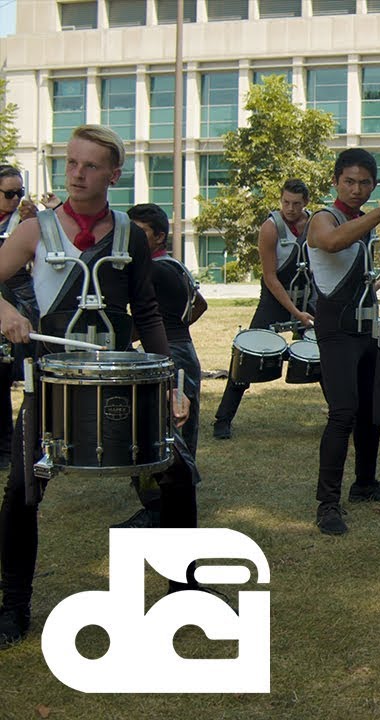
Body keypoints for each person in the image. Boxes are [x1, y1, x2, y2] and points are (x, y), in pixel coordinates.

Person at [0, 125, 197, 646]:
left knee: (176, 475)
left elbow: (148, 313)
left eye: (90, 166)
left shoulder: (130, 235)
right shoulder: (35, 231)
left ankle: (184, 592)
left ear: (114, 173)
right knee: (22, 490)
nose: (77, 174)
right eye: (71, 164)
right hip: (52, 382)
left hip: (119, 380)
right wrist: (5, 312)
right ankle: (13, 606)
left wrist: (169, 380)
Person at [308, 149, 380, 536]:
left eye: (365, 183)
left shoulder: (361, 220)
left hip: (366, 327)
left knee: (372, 411)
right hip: (336, 329)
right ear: (336, 180)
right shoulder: (324, 217)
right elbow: (331, 243)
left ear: (374, 185)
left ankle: (365, 484)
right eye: (349, 181)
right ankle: (327, 505)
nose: (357, 189)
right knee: (343, 414)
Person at [113, 203, 207, 529]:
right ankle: (166, 506)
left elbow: (142, 317)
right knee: (177, 435)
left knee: (156, 435)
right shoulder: (175, 266)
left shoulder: (153, 269)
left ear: (159, 237)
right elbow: (200, 305)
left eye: (139, 234)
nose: (131, 241)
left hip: (170, 355)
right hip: (184, 352)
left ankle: (156, 512)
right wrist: (176, 328)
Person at [212, 179, 314, 440]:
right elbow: (270, 277)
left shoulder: (315, 224)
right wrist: (295, 312)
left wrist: (309, 310)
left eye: (296, 204)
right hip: (275, 299)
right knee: (247, 356)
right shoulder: (270, 228)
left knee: (323, 351)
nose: (290, 208)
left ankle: (340, 414)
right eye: (285, 202)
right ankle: (222, 419)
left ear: (306, 203)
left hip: (308, 299)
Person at [0, 166, 38, 470]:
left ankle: (9, 446)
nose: (16, 199)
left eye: (19, 193)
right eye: (9, 193)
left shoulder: (25, 224)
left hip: (19, 304)